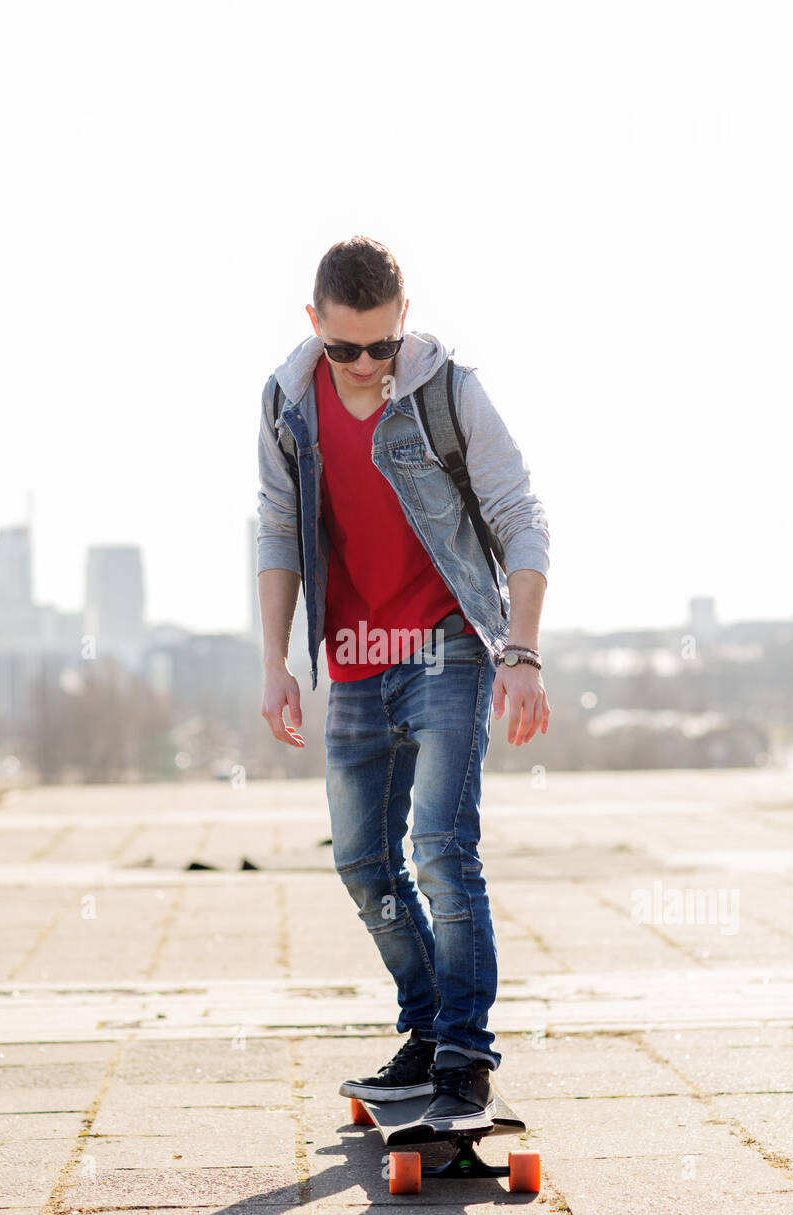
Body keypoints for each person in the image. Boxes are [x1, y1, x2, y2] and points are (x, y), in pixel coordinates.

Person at [256, 236, 550, 1131]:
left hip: (447, 649)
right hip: (352, 658)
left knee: (442, 852)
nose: (364, 365)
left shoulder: (448, 391)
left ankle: (463, 1055)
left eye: (380, 346)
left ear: (403, 323)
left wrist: (522, 652)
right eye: (344, 348)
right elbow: (276, 530)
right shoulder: (286, 403)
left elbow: (521, 516)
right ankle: (426, 1030)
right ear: (315, 328)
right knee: (362, 863)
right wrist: (275, 662)